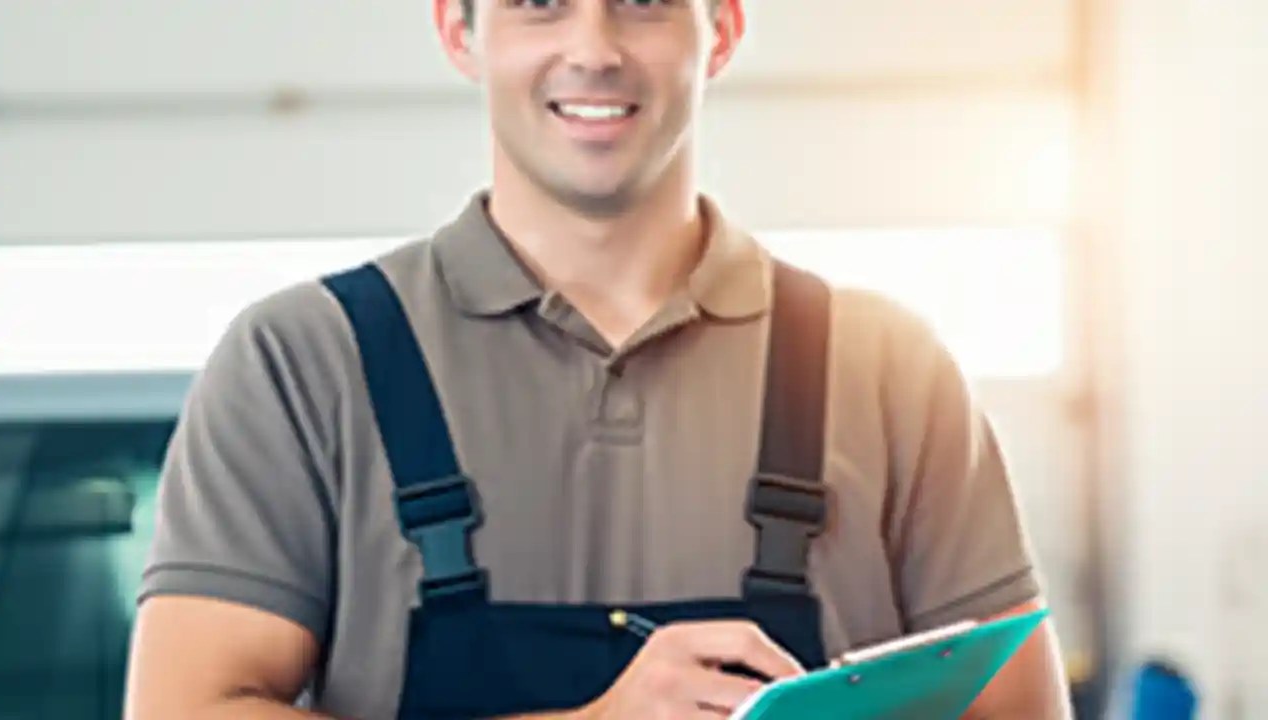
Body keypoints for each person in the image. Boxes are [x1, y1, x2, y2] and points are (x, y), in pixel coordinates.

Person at [125, 0, 1073, 718]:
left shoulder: (889, 370)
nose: (594, 47)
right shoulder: (301, 363)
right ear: (459, 29)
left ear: (725, 29)